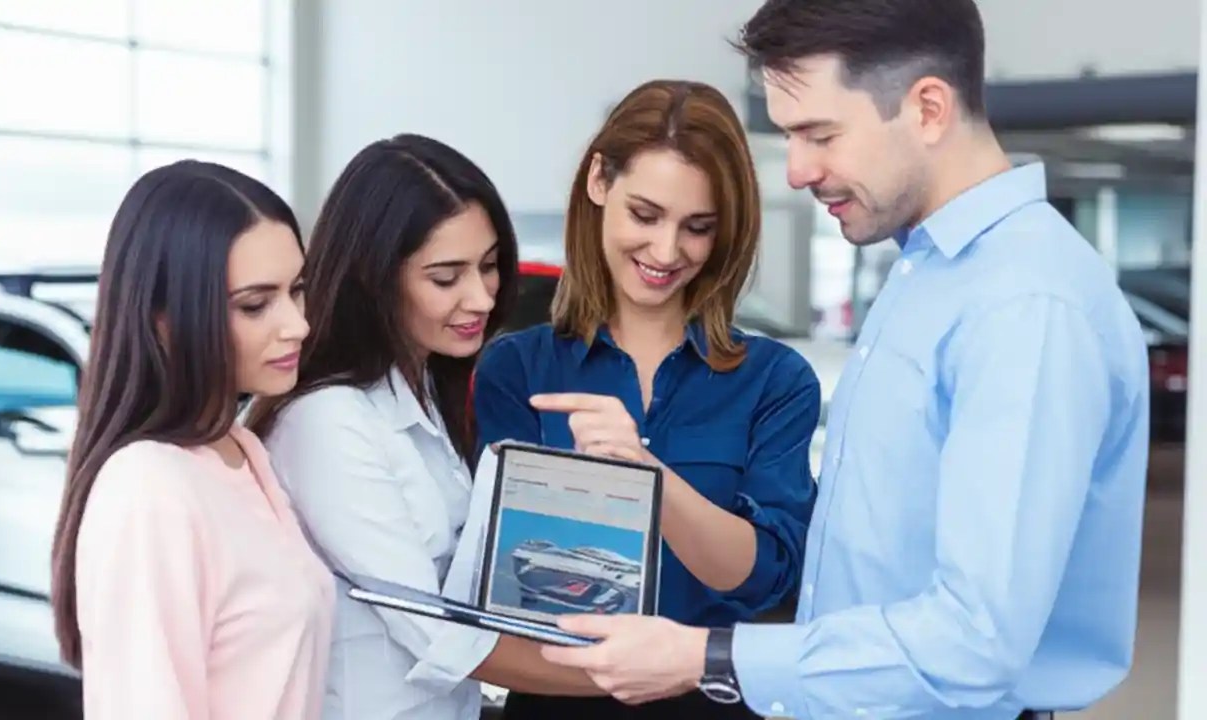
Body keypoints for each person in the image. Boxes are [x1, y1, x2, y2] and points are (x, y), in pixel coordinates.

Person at [536, 2, 1152, 719]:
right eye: (789, 136)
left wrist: (706, 656)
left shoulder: (1024, 305)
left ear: (927, 109)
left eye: (819, 134)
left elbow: (976, 639)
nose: (798, 171)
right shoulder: (929, 274)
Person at [471, 79, 821, 719]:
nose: (666, 251)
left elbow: (766, 579)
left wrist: (645, 475)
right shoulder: (517, 370)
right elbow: (497, 589)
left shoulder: (776, 381)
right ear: (598, 181)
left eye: (698, 227)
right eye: (645, 215)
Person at [245, 133, 608, 720]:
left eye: (488, 266)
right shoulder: (328, 422)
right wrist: (649, 673)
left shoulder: (424, 391)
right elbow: (441, 633)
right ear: (374, 280)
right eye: (446, 278)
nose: (481, 298)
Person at [48, 161, 334, 719]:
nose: (297, 324)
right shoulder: (149, 486)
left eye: (297, 291)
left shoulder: (239, 450)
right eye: (256, 304)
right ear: (163, 320)